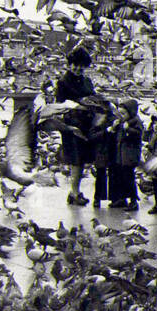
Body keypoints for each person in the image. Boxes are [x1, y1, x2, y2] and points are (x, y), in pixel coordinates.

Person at [55, 46, 96, 205]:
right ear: (69, 64)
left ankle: (75, 191)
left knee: (83, 159)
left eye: (81, 65)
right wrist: (79, 104)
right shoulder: (63, 82)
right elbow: (60, 104)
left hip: (87, 123)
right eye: (75, 64)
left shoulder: (87, 81)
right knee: (76, 159)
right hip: (72, 125)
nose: (78, 68)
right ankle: (74, 192)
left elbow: (92, 96)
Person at [109, 99, 143, 211]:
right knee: (122, 177)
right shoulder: (123, 122)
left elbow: (138, 135)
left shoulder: (135, 122)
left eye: (123, 113)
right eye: (120, 114)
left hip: (130, 155)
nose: (121, 116)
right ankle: (122, 198)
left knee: (129, 178)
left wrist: (128, 129)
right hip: (122, 155)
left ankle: (133, 201)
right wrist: (113, 128)